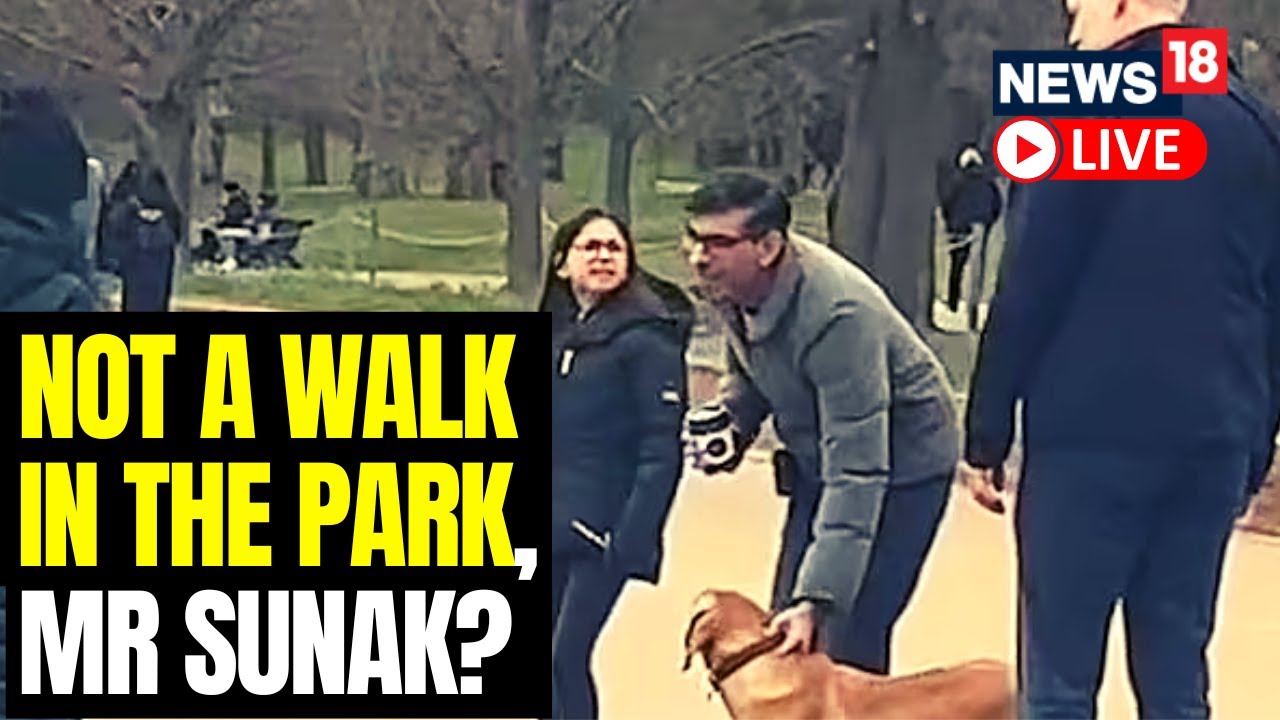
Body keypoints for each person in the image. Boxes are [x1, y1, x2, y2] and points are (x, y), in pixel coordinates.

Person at [959, 1, 1280, 717]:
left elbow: (1034, 275)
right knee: (1175, 669)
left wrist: (988, 426)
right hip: (1214, 429)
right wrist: (1259, 436)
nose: (1070, 19)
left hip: (1093, 428)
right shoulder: (1251, 118)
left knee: (1062, 676)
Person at [683, 172, 960, 674]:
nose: (700, 256)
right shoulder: (733, 286)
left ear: (768, 246)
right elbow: (750, 367)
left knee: (842, 637)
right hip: (823, 463)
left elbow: (858, 470)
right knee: (785, 632)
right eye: (694, 239)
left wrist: (820, 599)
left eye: (718, 242)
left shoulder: (838, 316)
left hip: (901, 471)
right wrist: (733, 425)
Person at [541, 208, 693, 719]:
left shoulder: (648, 339)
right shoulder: (559, 334)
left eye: (614, 248)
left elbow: (660, 448)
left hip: (602, 531)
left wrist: (633, 535)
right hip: (551, 523)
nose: (603, 256)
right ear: (563, 264)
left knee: (565, 654)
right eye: (590, 247)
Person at [938, 147, 1002, 319]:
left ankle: (953, 302)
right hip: (980, 227)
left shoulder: (958, 182)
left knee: (957, 266)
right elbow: (997, 205)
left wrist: (950, 224)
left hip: (960, 229)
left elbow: (948, 204)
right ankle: (973, 309)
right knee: (977, 268)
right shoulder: (989, 183)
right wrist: (988, 223)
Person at [120, 167, 180, 312]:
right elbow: (177, 232)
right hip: (160, 262)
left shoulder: (131, 212)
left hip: (137, 262)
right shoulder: (170, 210)